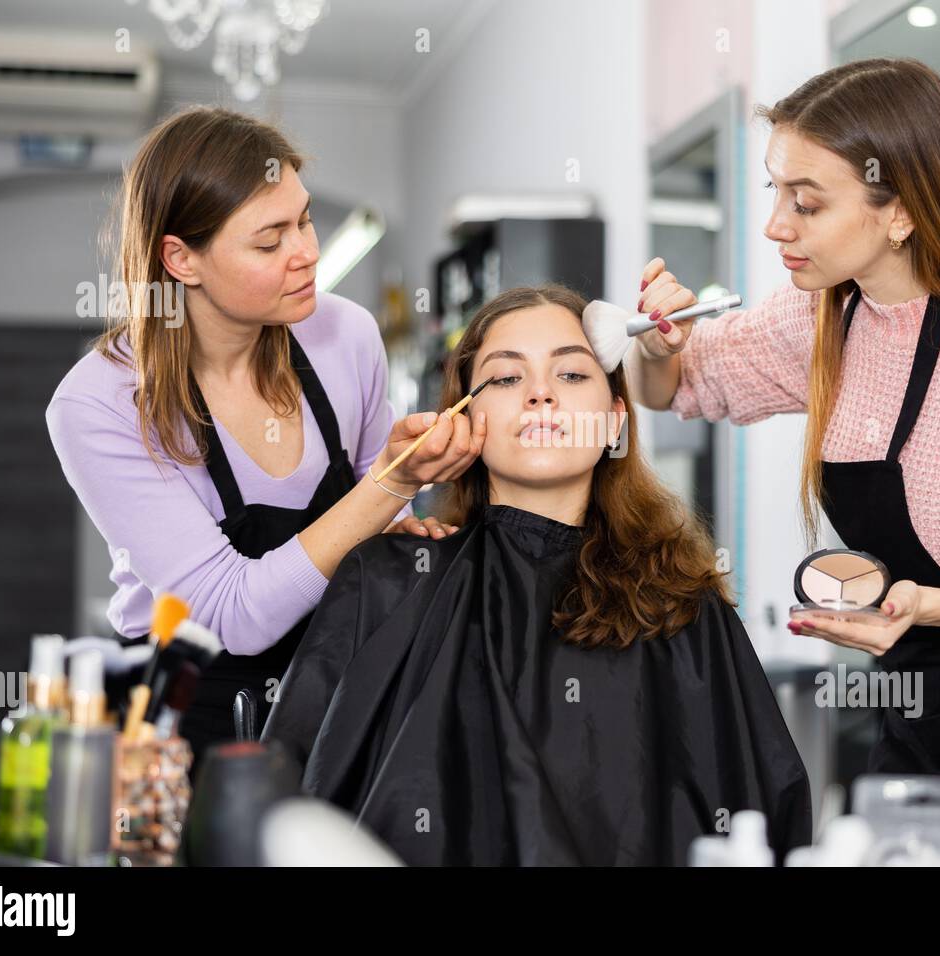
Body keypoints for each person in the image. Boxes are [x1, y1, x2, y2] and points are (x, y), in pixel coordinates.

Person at [626, 58, 940, 865]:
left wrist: (921, 606)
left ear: (899, 210)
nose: (775, 226)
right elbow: (680, 387)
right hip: (917, 725)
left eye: (806, 202)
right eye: (774, 193)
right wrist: (661, 341)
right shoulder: (818, 321)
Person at [262, 284, 813, 865]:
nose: (541, 395)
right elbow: (291, 807)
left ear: (614, 421)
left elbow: (762, 816)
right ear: (463, 416)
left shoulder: (681, 606)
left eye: (572, 375)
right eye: (505, 378)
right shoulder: (388, 578)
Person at [46, 106, 481, 765]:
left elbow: (362, 526)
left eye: (303, 219)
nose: (306, 252)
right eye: (269, 240)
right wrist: (394, 485)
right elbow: (232, 615)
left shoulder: (347, 336)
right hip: (191, 719)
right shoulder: (101, 402)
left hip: (342, 694)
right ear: (181, 259)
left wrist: (398, 519)